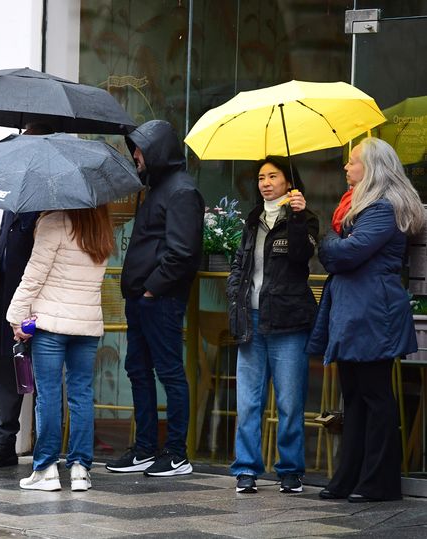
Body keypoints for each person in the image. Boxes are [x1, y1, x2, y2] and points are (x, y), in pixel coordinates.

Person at [308, 138, 425, 502]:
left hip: (373, 312)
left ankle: (378, 482)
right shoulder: (361, 207)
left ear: (371, 168)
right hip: (357, 312)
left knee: (374, 396)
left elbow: (348, 254)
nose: (346, 168)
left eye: (353, 162)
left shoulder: (382, 209)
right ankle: (350, 478)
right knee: (355, 397)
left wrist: (326, 242)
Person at [106, 120, 204, 477]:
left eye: (140, 149)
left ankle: (177, 454)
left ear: (158, 150)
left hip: (159, 300)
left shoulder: (182, 192)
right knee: (138, 371)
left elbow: (183, 252)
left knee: (169, 373)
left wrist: (151, 289)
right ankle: (145, 449)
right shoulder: (156, 188)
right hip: (142, 299)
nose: (135, 155)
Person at [226, 156, 319, 494]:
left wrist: (295, 216)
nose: (265, 182)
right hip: (250, 320)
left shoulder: (305, 219)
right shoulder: (253, 220)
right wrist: (234, 292)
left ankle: (291, 470)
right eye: (261, 177)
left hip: (288, 322)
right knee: (248, 401)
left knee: (289, 401)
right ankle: (246, 470)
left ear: (288, 181)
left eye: (273, 176)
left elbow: (300, 257)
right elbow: (240, 262)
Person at [7, 205, 115, 491]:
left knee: (49, 396)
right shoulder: (101, 226)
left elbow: (34, 276)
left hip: (51, 326)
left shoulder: (53, 223)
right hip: (87, 326)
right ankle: (80, 471)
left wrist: (15, 316)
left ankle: (46, 468)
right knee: (81, 395)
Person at [0, 122, 52, 469]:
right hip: (5, 293)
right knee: (5, 369)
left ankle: (48, 444)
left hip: (38, 299)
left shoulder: (52, 197)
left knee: (46, 373)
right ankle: (5, 441)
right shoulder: (14, 194)